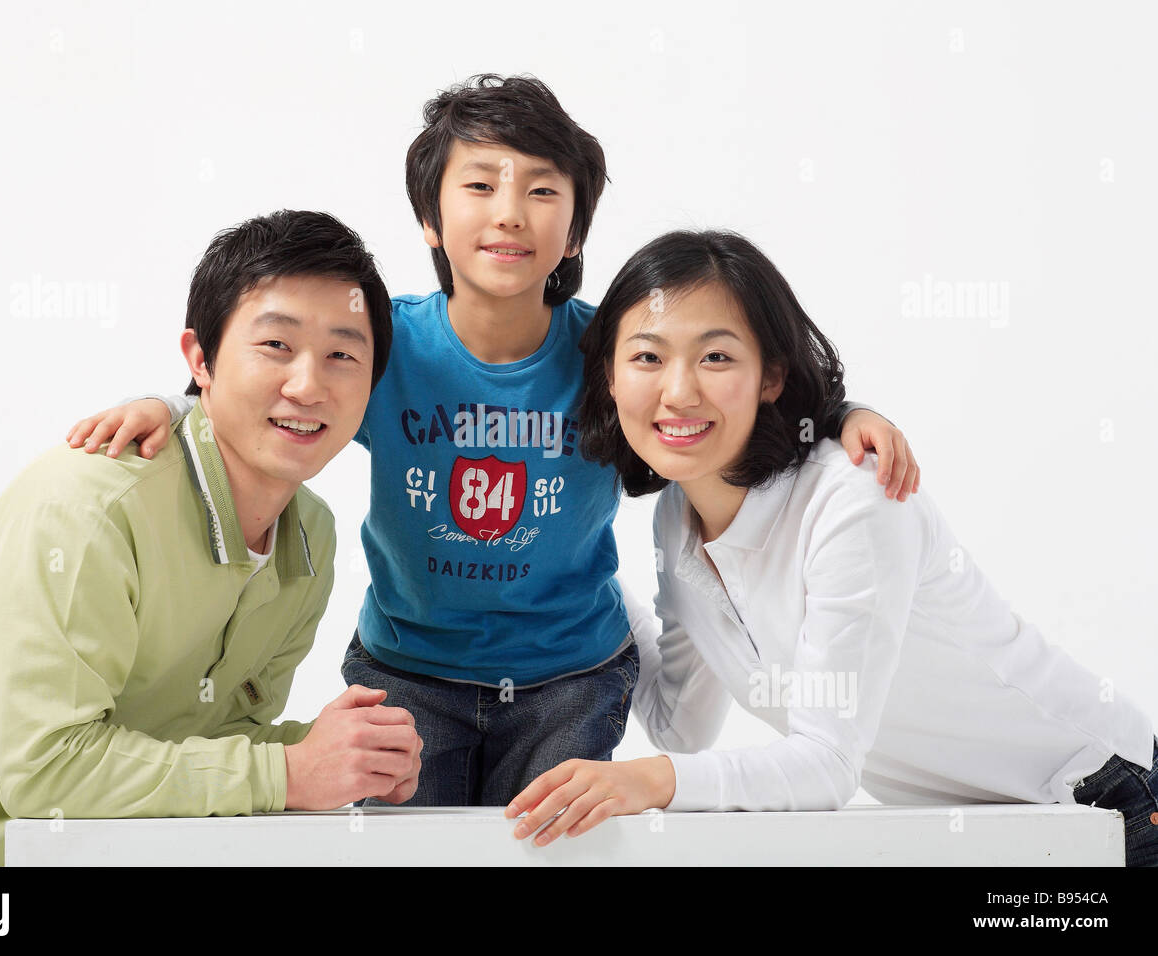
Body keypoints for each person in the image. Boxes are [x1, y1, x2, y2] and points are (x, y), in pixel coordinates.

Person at [62, 76, 919, 807]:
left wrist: (840, 418)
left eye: (543, 191)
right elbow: (275, 392)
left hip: (570, 679)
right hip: (406, 673)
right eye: (479, 186)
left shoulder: (608, 355)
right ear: (430, 220)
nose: (510, 214)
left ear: (575, 232)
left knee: (546, 848)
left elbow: (709, 392)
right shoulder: (381, 345)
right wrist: (171, 407)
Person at [503, 229, 1157, 866]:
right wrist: (578, 571)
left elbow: (826, 763)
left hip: (1106, 799)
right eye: (648, 357)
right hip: (985, 832)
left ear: (772, 376)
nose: (679, 391)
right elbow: (680, 725)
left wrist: (650, 781)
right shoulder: (678, 521)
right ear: (611, 380)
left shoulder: (853, 499)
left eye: (717, 357)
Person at [0, 210, 422, 866]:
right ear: (200, 360)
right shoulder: (90, 509)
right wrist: (291, 773)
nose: (307, 384)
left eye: (342, 355)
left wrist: (348, 757)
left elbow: (203, 739)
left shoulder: (311, 539)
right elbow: (45, 772)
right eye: (276, 345)